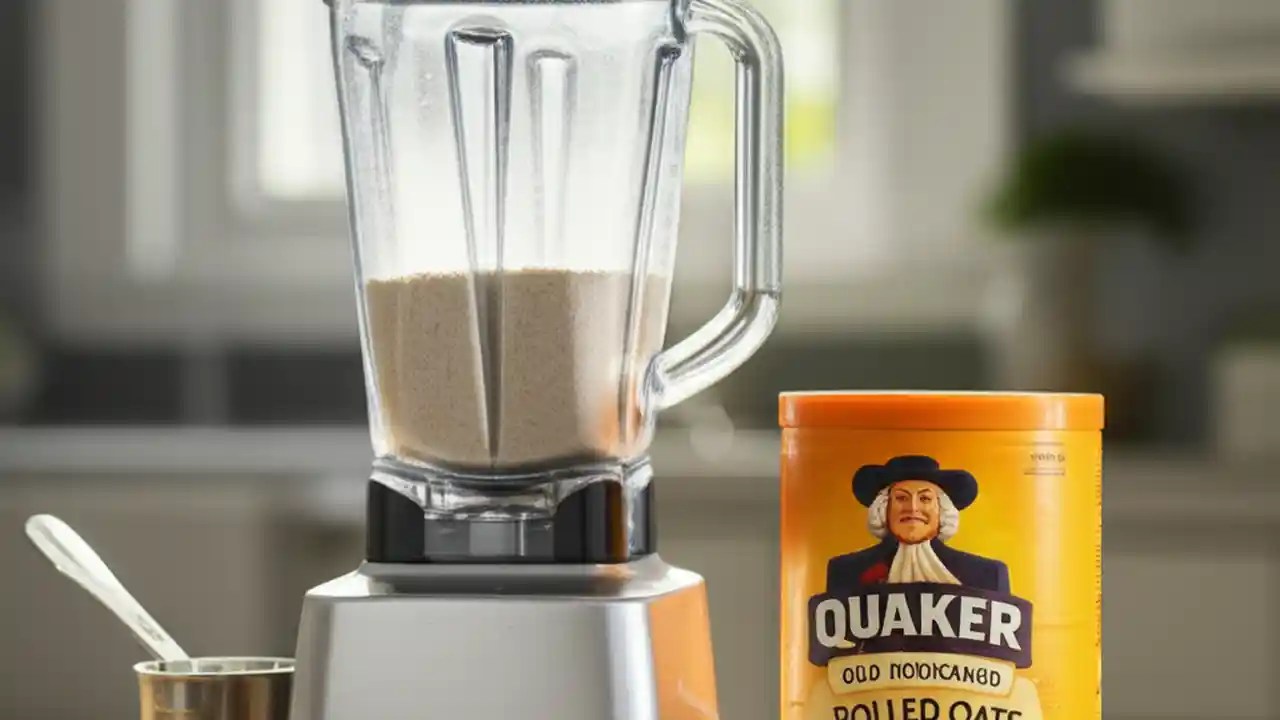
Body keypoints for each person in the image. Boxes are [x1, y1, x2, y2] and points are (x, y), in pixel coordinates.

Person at [826, 455, 1009, 593]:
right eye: (901, 498)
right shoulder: (846, 571)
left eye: (925, 498)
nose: (913, 508)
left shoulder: (987, 576)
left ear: (942, 510)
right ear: (884, 509)